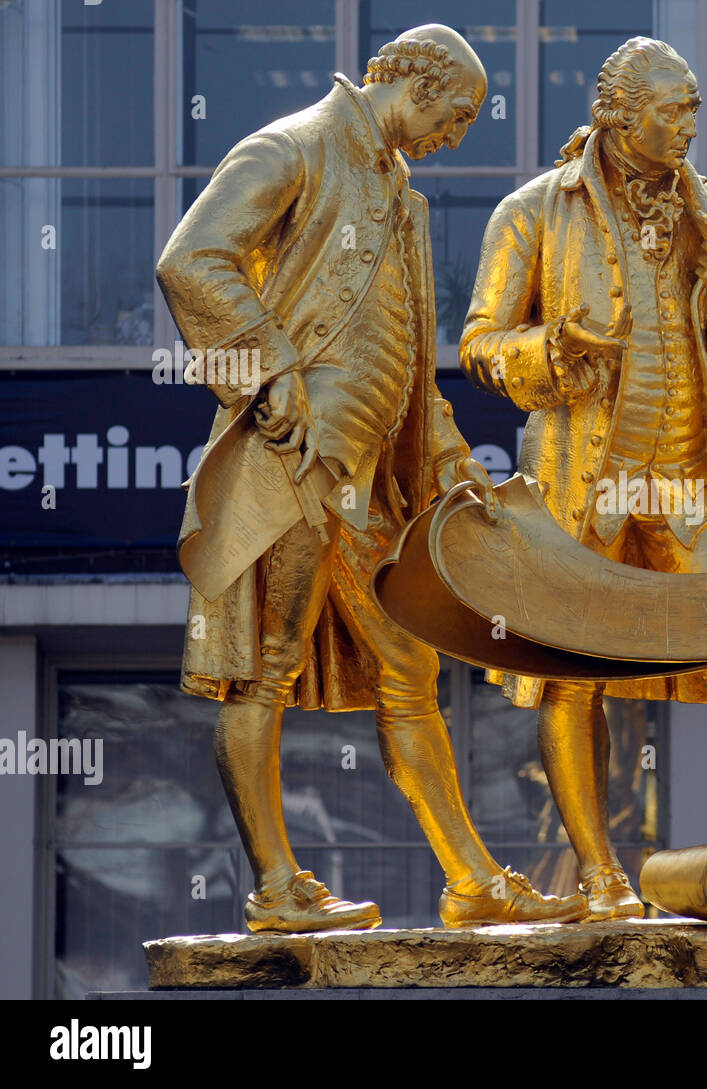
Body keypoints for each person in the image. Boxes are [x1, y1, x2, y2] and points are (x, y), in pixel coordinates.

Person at [157, 24, 585, 932]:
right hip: (292, 465)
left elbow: (409, 363)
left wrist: (450, 462)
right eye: (457, 114)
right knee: (264, 670)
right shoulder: (292, 146)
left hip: (364, 480)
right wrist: (270, 373)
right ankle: (277, 887)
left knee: (408, 663)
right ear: (413, 81)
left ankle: (471, 883)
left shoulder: (404, 198)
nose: (458, 135)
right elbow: (191, 259)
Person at [461, 37, 707, 920]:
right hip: (582, 485)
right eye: (674, 107)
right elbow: (478, 344)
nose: (692, 121)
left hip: (687, 482)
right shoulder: (533, 211)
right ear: (618, 115)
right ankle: (601, 876)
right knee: (573, 674)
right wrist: (548, 353)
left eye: (695, 104)